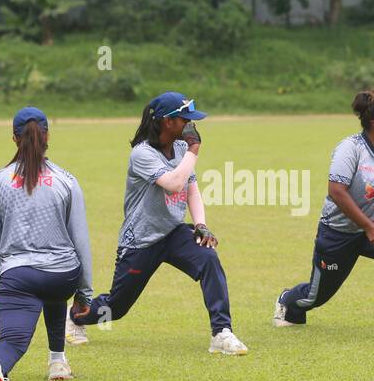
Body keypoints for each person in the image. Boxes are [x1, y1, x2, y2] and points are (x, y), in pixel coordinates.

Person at [67, 92, 248, 355]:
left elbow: (190, 189)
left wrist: (200, 224)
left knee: (208, 258)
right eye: (185, 119)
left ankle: (221, 332)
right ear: (167, 122)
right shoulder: (141, 154)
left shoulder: (181, 148)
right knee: (116, 307)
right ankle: (75, 317)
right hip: (140, 240)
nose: (190, 124)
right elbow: (173, 184)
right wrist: (195, 150)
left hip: (173, 232)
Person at [273, 86, 374, 339]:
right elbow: (336, 191)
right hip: (338, 233)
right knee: (315, 296)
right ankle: (287, 301)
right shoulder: (350, 149)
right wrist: (367, 227)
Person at [0, 108, 95, 381]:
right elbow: (80, 240)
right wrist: (84, 293)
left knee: (13, 340)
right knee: (52, 289)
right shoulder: (67, 180)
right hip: (63, 276)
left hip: (18, 277)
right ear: (47, 136)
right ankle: (58, 362)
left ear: (14, 138)